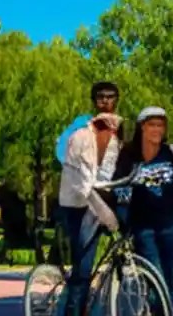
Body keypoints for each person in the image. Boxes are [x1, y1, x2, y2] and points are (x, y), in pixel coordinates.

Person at [57, 81, 124, 316]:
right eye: (100, 97)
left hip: (103, 198)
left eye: (110, 96)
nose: (106, 101)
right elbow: (85, 184)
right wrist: (105, 213)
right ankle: (73, 311)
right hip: (79, 204)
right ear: (94, 102)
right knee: (83, 269)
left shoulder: (118, 131)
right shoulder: (82, 136)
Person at [116, 106, 173, 300]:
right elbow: (119, 184)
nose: (157, 130)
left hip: (172, 225)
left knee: (168, 280)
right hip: (144, 227)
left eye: (161, 125)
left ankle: (156, 311)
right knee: (155, 278)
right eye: (152, 125)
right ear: (142, 127)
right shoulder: (128, 155)